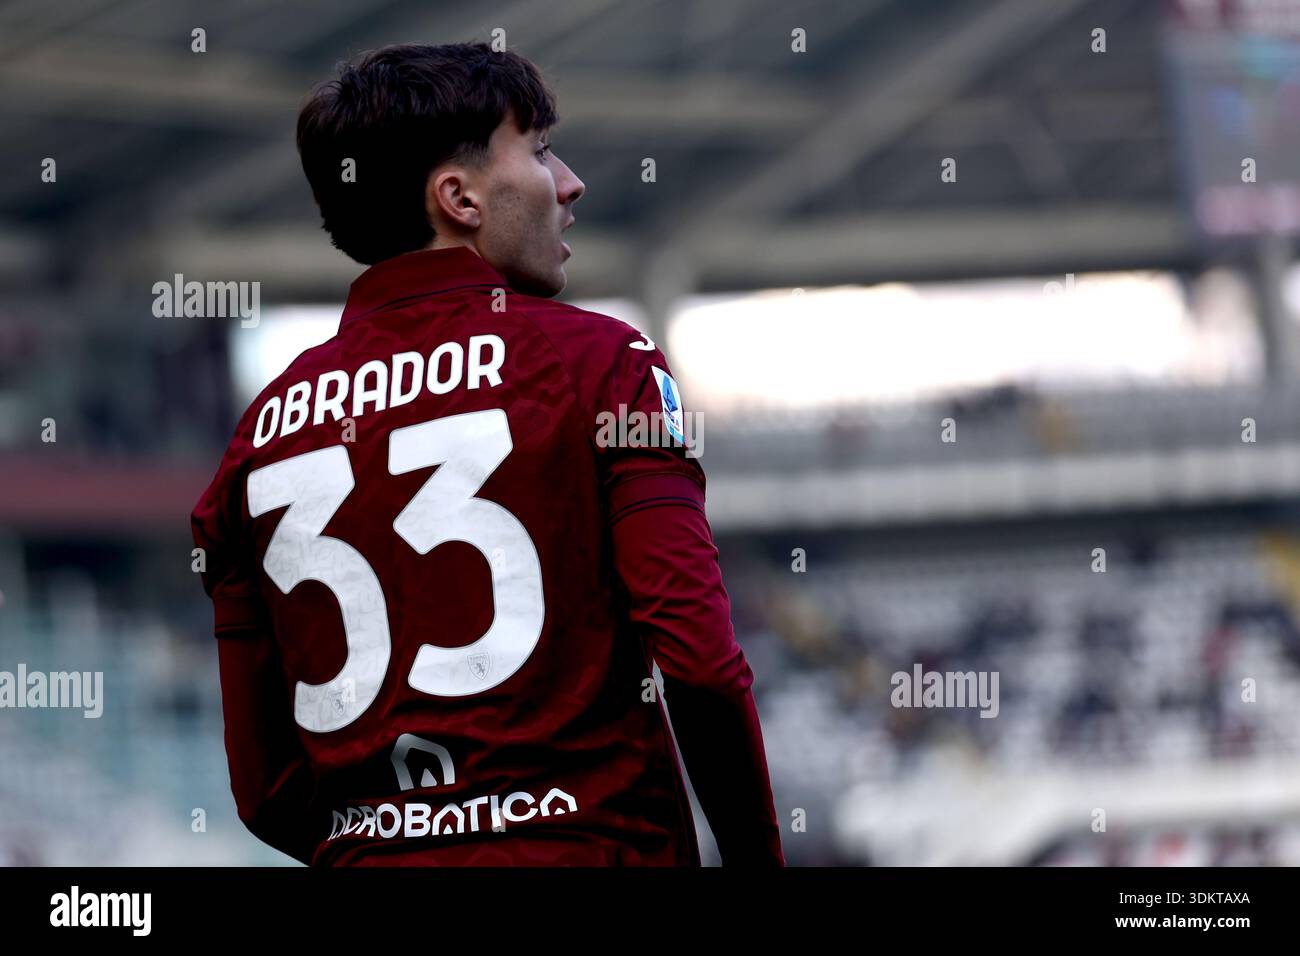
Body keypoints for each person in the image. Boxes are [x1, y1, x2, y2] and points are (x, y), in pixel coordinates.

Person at [191, 41, 784, 866]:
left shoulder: (257, 437)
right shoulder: (605, 365)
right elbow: (701, 666)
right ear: (458, 198)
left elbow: (263, 789)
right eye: (540, 150)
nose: (569, 182)